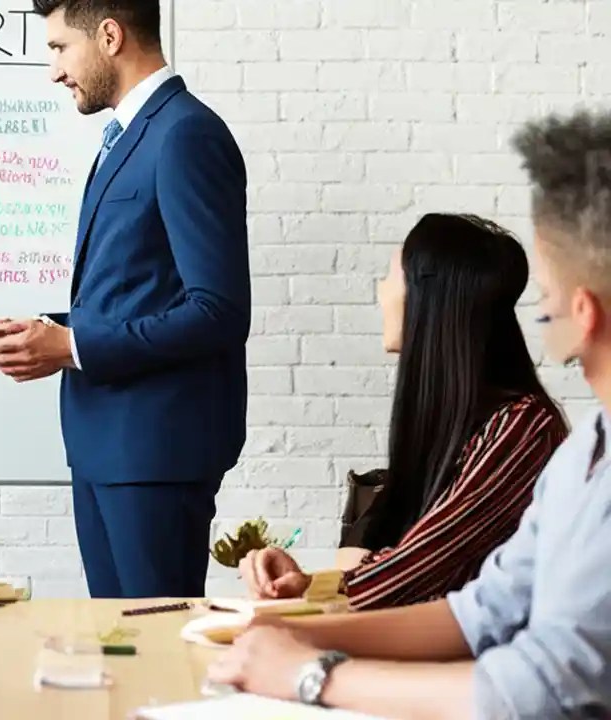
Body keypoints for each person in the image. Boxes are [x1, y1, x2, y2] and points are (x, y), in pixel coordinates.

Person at [209, 109, 611, 718]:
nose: (538, 304)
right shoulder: (584, 452)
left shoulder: (532, 432)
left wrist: (309, 673)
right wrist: (295, 637)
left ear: (582, 311)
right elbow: (481, 610)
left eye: (550, 282)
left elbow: (540, 686)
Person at [0, 0, 249, 598]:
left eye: (58, 49)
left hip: (155, 453)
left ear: (108, 36)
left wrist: (72, 344)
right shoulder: (128, 137)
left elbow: (219, 311)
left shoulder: (185, 135)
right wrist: (49, 330)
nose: (53, 71)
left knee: (156, 653)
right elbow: (142, 289)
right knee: (120, 647)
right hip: (107, 447)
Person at [239, 214, 567, 610]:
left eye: (389, 277)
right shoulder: (463, 423)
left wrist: (316, 587)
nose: (380, 292)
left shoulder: (524, 427)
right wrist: (307, 583)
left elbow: (425, 563)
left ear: (427, 299)